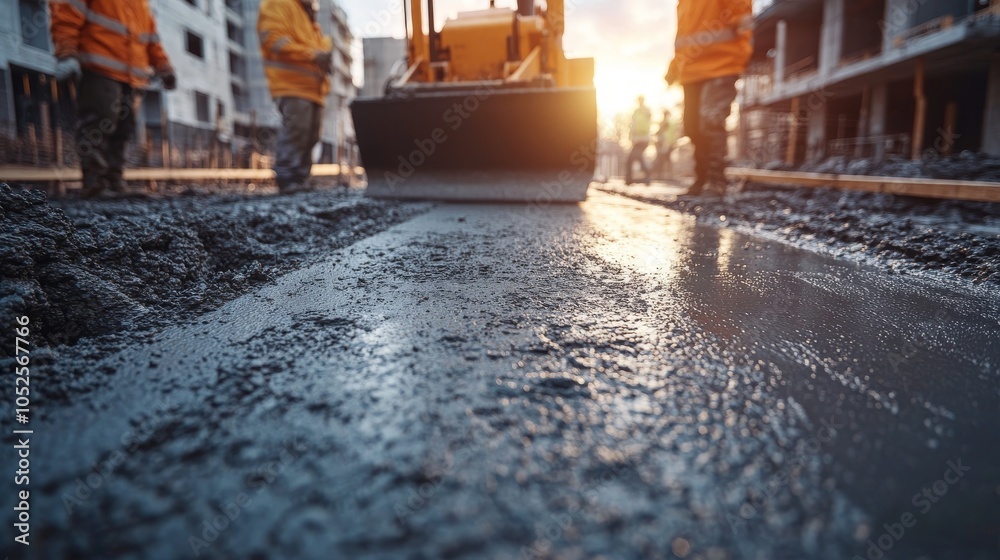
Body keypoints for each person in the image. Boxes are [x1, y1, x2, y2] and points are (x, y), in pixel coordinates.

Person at [50, 0, 176, 198]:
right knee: (99, 121)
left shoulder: (141, 3)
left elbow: (151, 38)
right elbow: (66, 13)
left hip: (132, 76)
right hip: (98, 68)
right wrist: (66, 53)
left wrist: (163, 66)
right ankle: (96, 183)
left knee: (124, 128)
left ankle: (114, 181)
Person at [666, 0, 752, 197]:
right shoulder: (683, 3)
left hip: (721, 66)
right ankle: (701, 178)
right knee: (692, 127)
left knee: (711, 121)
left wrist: (742, 55)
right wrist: (673, 70)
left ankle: (716, 181)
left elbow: (742, 18)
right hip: (691, 74)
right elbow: (682, 41)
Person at [258, 0, 334, 194]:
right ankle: (287, 178)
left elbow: (317, 49)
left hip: (313, 89)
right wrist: (313, 55)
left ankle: (301, 180)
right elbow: (274, 40)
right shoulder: (278, 4)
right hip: (291, 85)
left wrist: (323, 58)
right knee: (296, 131)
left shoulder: (308, 18)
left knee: (311, 136)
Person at [625, 96, 653, 185]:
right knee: (638, 157)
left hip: (643, 139)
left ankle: (630, 178)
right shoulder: (636, 112)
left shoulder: (646, 110)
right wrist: (631, 136)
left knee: (633, 157)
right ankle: (645, 176)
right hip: (637, 139)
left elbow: (646, 122)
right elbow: (633, 125)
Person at [652, 109, 678, 181]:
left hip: (666, 143)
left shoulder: (666, 123)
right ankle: (666, 175)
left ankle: (664, 175)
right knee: (665, 159)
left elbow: (664, 133)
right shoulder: (669, 123)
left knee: (663, 159)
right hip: (667, 143)